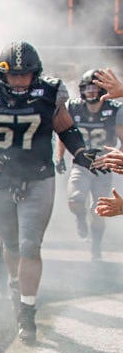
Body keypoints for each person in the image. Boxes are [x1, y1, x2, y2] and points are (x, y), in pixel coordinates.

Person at [0, 40, 105, 344]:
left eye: (25, 75)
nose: (19, 81)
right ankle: (16, 286)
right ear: (2, 75)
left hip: (38, 178)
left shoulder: (49, 92)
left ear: (35, 74)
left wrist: (80, 152)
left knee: (29, 246)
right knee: (10, 245)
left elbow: (66, 128)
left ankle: (27, 310)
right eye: (13, 75)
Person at [54, 69, 123, 261]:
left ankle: (96, 247)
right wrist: (59, 157)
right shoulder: (74, 108)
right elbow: (64, 133)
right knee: (75, 199)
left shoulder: (114, 109)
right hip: (82, 164)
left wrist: (118, 159)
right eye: (87, 88)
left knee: (100, 211)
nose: (91, 92)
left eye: (95, 88)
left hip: (104, 165)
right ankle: (79, 218)